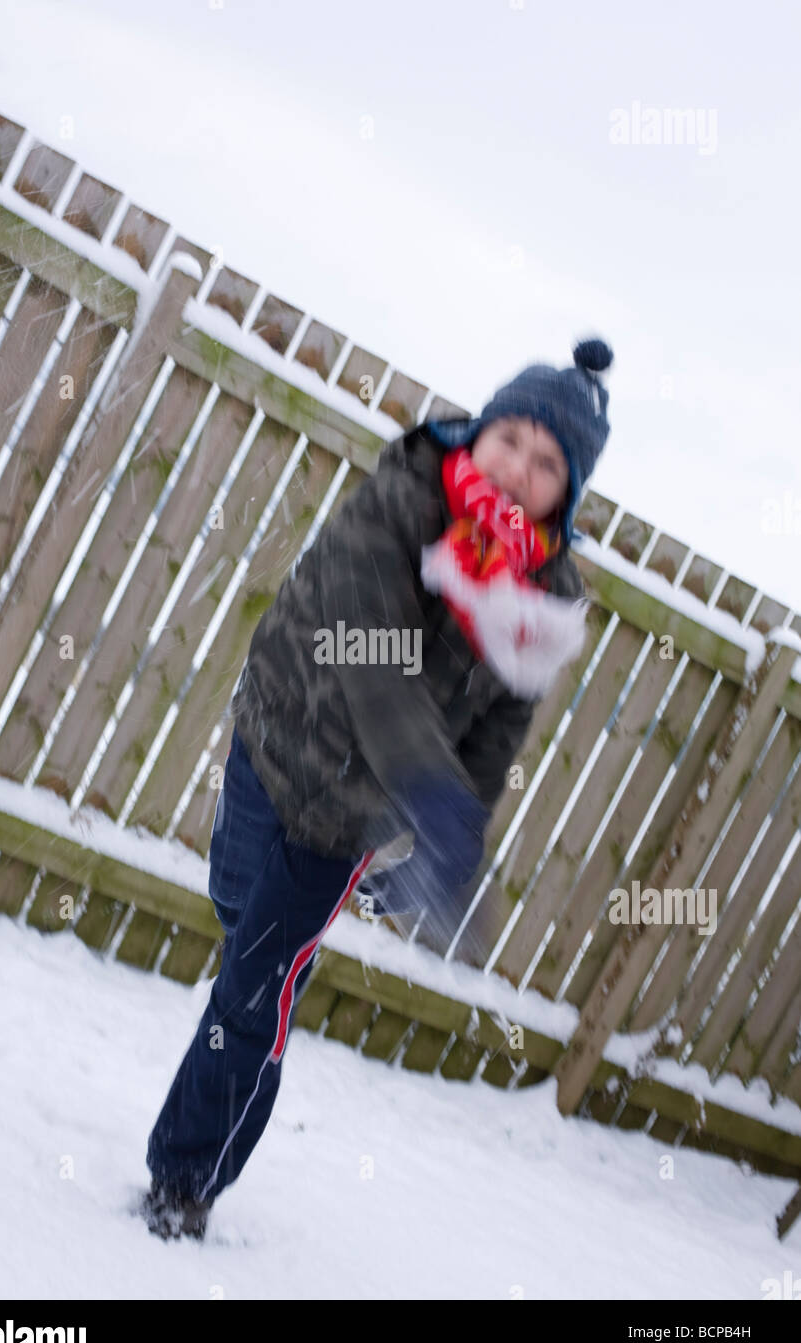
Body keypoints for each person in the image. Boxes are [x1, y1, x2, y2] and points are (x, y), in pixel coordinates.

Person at [140, 337, 613, 1240]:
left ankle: (184, 1183)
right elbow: (370, 654)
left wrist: (452, 831)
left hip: (347, 819)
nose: (519, 468)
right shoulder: (402, 499)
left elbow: (496, 733)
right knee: (239, 912)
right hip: (272, 741)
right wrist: (429, 794)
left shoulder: (541, 603)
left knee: (255, 991)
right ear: (480, 431)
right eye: (510, 437)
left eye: (548, 461)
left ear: (569, 490)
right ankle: (265, 981)